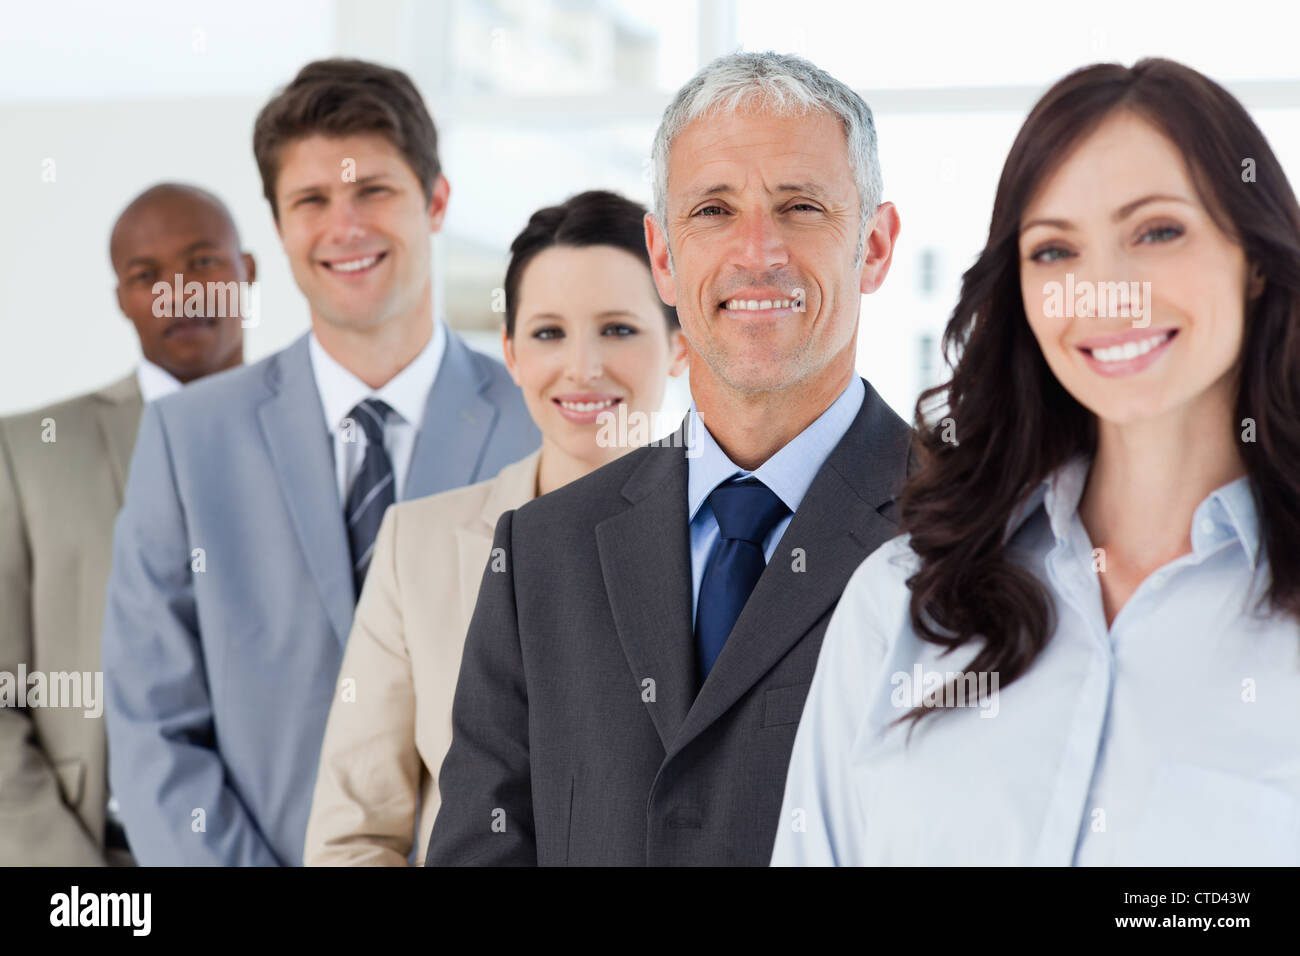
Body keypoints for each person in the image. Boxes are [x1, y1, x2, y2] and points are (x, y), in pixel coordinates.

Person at [773, 58, 1300, 867]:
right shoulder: (899, 603)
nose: (1105, 291)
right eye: (1055, 252)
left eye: (1157, 232)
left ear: (1256, 259)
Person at [426, 51, 912, 867]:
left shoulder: (978, 531)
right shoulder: (543, 552)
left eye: (800, 206)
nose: (757, 252)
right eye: (713, 210)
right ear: (662, 256)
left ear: (874, 246)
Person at [101, 58, 538, 866]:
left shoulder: (541, 422)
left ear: (435, 202)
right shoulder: (188, 440)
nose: (345, 227)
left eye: (373, 190)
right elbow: (151, 727)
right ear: (277, 227)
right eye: (311, 200)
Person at [304, 190, 688, 865]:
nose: (583, 367)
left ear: (680, 346)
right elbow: (354, 831)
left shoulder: (735, 538)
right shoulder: (415, 546)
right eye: (548, 333)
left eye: (620, 329)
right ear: (510, 353)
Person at [0, 183, 251, 865]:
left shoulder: (330, 437)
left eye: (203, 263)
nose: (179, 292)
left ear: (248, 272)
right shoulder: (30, 451)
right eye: (147, 276)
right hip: (98, 855)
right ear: (120, 298)